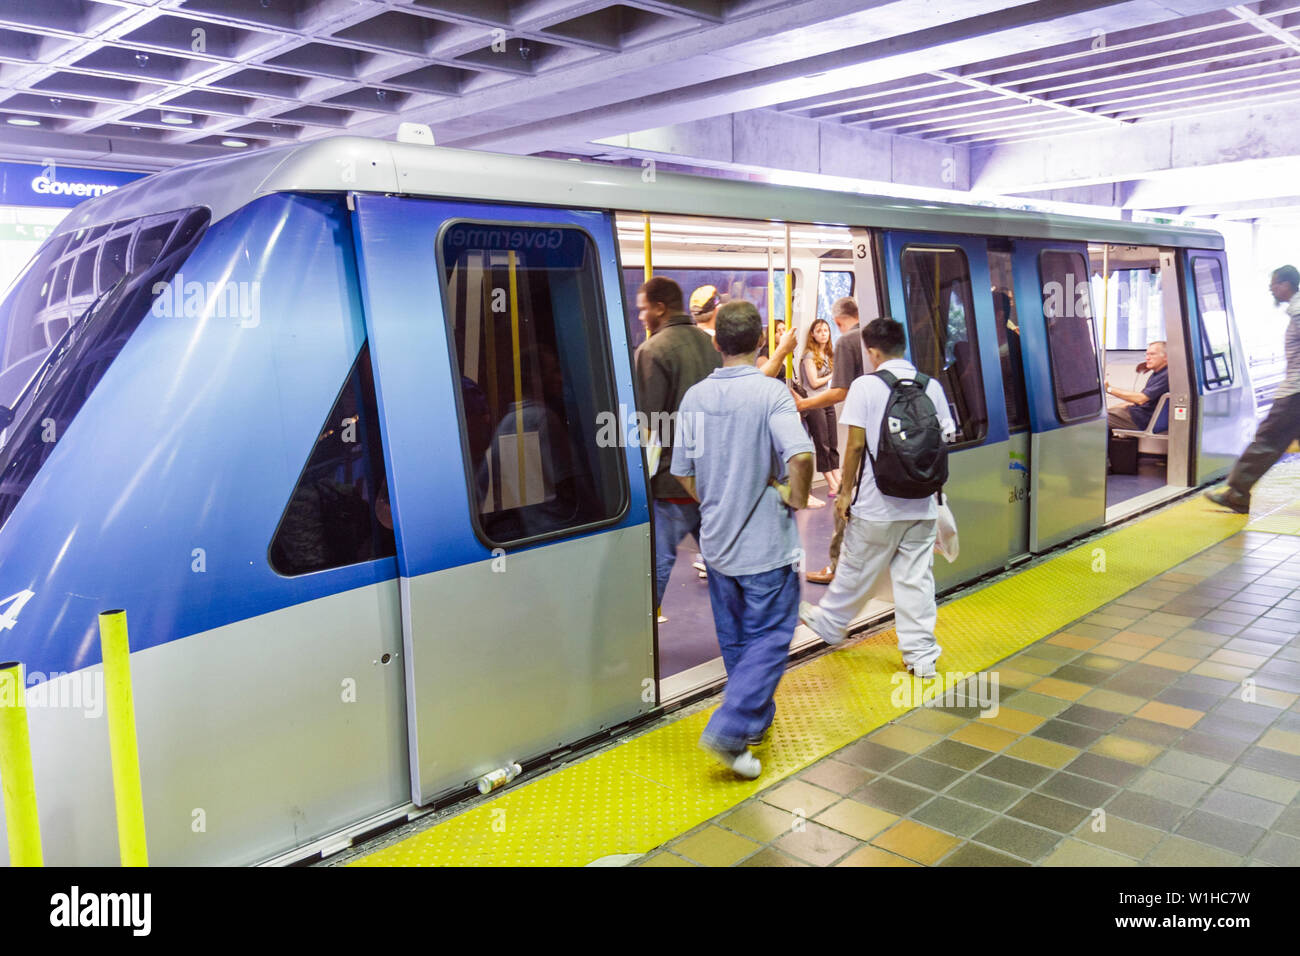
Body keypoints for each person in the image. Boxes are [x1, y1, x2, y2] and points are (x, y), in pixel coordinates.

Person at [672, 300, 814, 778]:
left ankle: (755, 722)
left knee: (736, 641)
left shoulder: (694, 398)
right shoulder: (771, 394)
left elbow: (683, 472)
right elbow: (800, 456)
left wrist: (714, 498)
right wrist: (793, 499)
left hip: (716, 546)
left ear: (716, 343)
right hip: (766, 549)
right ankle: (730, 729)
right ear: (760, 343)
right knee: (772, 636)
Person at [798, 317, 955, 678]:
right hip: (922, 503)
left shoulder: (866, 387)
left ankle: (832, 623)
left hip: (876, 503)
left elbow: (853, 446)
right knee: (916, 578)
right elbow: (944, 440)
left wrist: (845, 493)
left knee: (856, 566)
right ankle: (921, 656)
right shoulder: (930, 386)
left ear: (871, 351)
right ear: (904, 346)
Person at [634, 276, 722, 612]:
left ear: (659, 307)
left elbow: (649, 426)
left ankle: (638, 642)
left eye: (643, 310)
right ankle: (742, 631)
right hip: (712, 479)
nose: (641, 317)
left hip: (671, 480)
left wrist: (640, 481)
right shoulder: (711, 344)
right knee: (720, 561)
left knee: (656, 563)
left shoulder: (652, 350)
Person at [1206, 264, 1300, 514]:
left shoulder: (1299, 312)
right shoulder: (1295, 311)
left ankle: (1236, 493)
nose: (1271, 288)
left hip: (1295, 393)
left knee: (1267, 440)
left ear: (1287, 285)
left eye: (1275, 283)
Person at [794, 296, 863, 583]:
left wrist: (804, 405)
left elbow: (839, 391)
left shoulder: (848, 343)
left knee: (846, 505)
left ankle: (838, 567)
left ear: (837, 323)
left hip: (863, 425)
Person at [801, 317, 842, 495]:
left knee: (833, 442)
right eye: (819, 331)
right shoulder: (809, 356)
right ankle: (831, 482)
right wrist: (833, 374)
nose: (823, 334)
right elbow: (814, 382)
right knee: (822, 443)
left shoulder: (829, 354)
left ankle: (838, 478)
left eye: (826, 330)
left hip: (828, 400)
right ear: (813, 334)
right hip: (814, 402)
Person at [1105, 341, 1169, 432]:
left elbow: (1141, 399)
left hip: (1141, 419)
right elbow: (1143, 401)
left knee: (1094, 422)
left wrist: (1109, 389)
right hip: (1138, 414)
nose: (1147, 358)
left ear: (1166, 357)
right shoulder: (1158, 373)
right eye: (1146, 354)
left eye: (1152, 354)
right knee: (1103, 415)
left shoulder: (1166, 375)